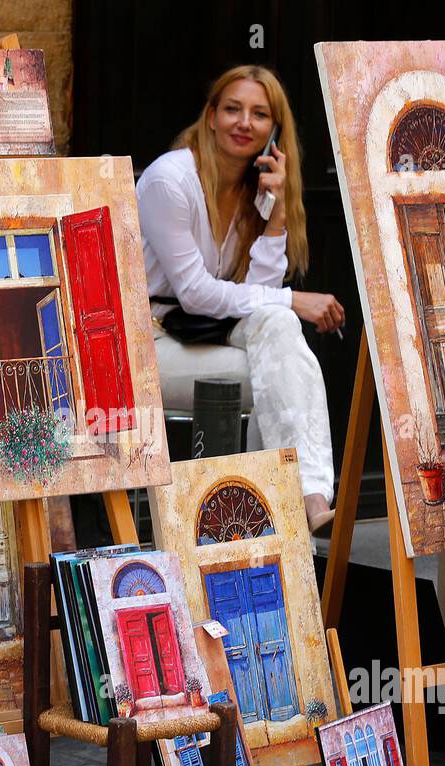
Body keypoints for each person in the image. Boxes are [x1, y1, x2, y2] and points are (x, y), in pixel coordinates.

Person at [137, 65, 344, 533]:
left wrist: (274, 217)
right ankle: (273, 519)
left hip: (204, 334)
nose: (243, 123)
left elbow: (261, 298)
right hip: (148, 343)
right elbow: (194, 291)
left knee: (280, 335)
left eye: (258, 114)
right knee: (285, 372)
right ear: (210, 116)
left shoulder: (255, 187)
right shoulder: (170, 181)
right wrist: (294, 300)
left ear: (275, 129)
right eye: (232, 109)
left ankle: (301, 501)